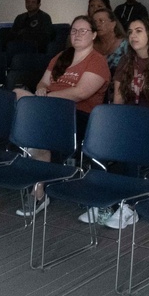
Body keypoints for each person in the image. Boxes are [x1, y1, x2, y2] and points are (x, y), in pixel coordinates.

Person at [82, 18, 149, 229]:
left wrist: (137, 123)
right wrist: (118, 125)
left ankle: (130, 206)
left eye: (139, 31)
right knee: (97, 143)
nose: (133, 35)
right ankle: (103, 202)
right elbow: (118, 101)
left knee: (131, 144)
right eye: (130, 32)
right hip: (128, 121)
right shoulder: (126, 62)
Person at [12, 16, 110, 216]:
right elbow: (42, 83)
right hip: (49, 111)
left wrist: (45, 99)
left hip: (79, 117)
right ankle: (33, 144)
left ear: (93, 35)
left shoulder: (97, 62)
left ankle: (38, 190)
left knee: (38, 135)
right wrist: (40, 92)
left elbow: (80, 93)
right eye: (74, 30)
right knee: (16, 93)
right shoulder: (60, 57)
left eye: (83, 31)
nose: (77, 34)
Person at [92, 8, 128, 77]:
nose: (97, 25)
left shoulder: (125, 45)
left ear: (113, 24)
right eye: (94, 22)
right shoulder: (90, 46)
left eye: (101, 21)